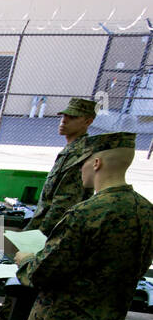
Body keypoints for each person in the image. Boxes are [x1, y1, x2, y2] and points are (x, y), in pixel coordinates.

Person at [15, 131, 153, 320]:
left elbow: (44, 273)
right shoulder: (146, 211)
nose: (80, 169)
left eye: (83, 163)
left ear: (96, 163)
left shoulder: (85, 213)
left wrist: (26, 260)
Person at [31, 97, 96, 235]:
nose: (64, 121)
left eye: (72, 117)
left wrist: (38, 236)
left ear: (88, 121)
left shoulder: (80, 154)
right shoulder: (72, 149)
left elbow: (64, 204)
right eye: (64, 116)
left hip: (53, 231)